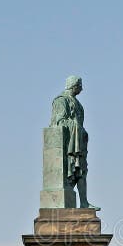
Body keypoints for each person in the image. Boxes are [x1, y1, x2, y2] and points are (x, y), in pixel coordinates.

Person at [50, 75, 98, 209]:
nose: (81, 89)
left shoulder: (78, 104)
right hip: (69, 144)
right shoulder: (61, 100)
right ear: (74, 85)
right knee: (77, 170)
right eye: (80, 85)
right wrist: (75, 126)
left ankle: (84, 202)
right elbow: (58, 122)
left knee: (82, 171)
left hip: (79, 143)